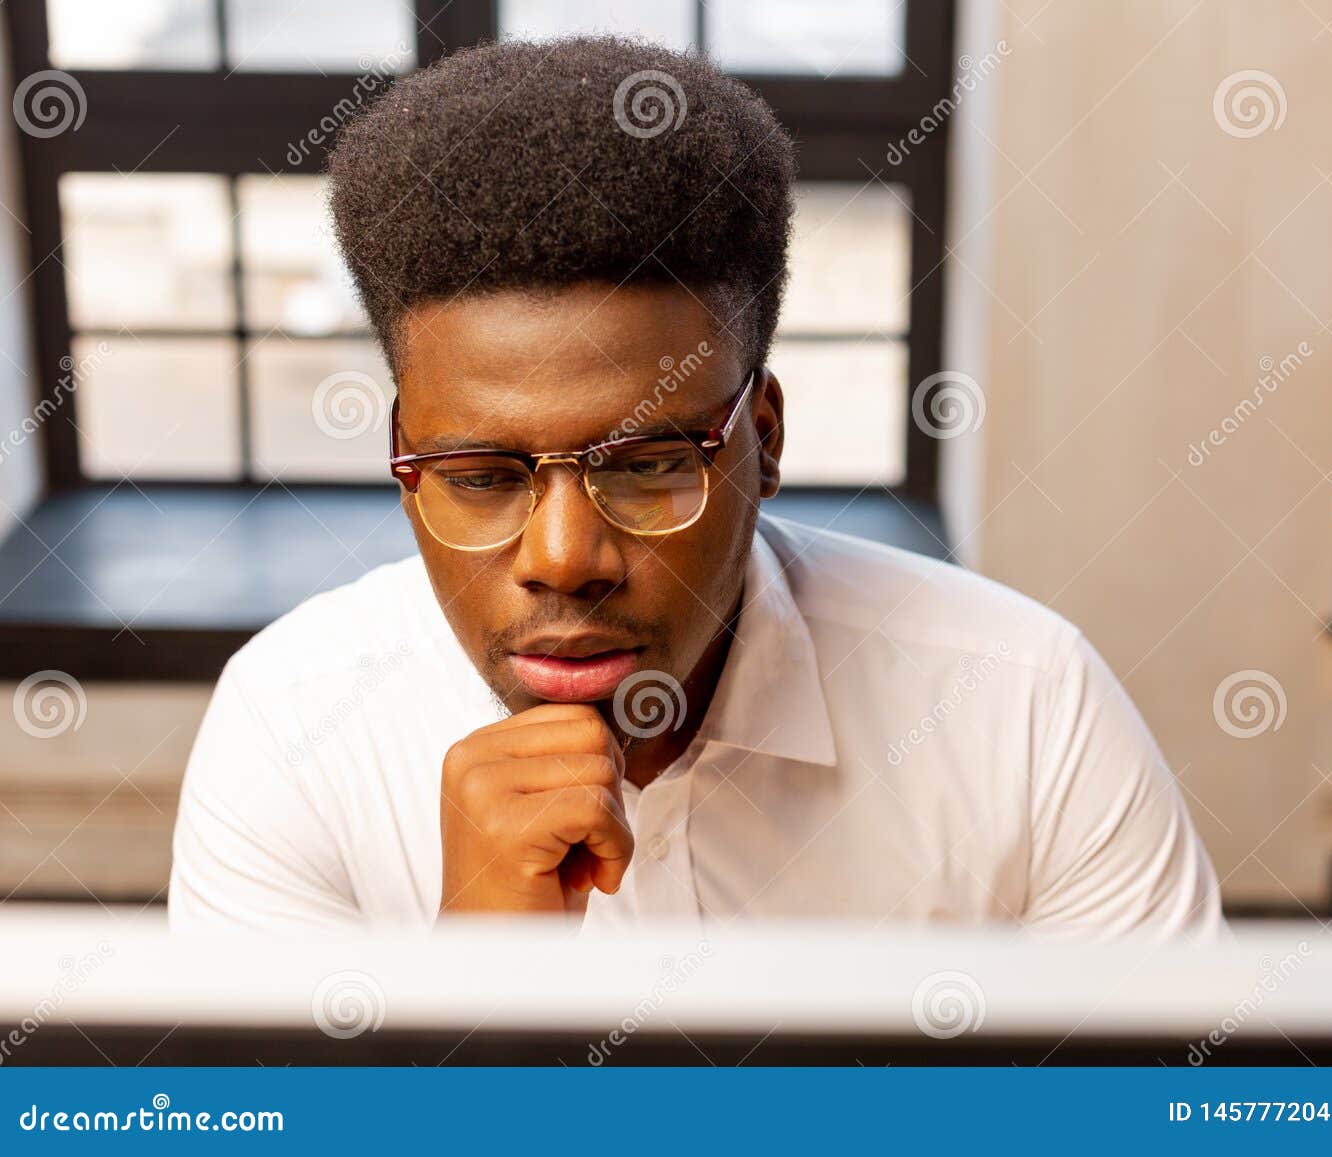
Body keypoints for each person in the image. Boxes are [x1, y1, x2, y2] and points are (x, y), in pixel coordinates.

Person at [168, 36, 1221, 938]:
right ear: (404, 459)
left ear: (761, 440)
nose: (562, 558)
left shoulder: (1023, 704)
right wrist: (477, 975)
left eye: (645, 465)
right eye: (482, 476)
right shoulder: (293, 725)